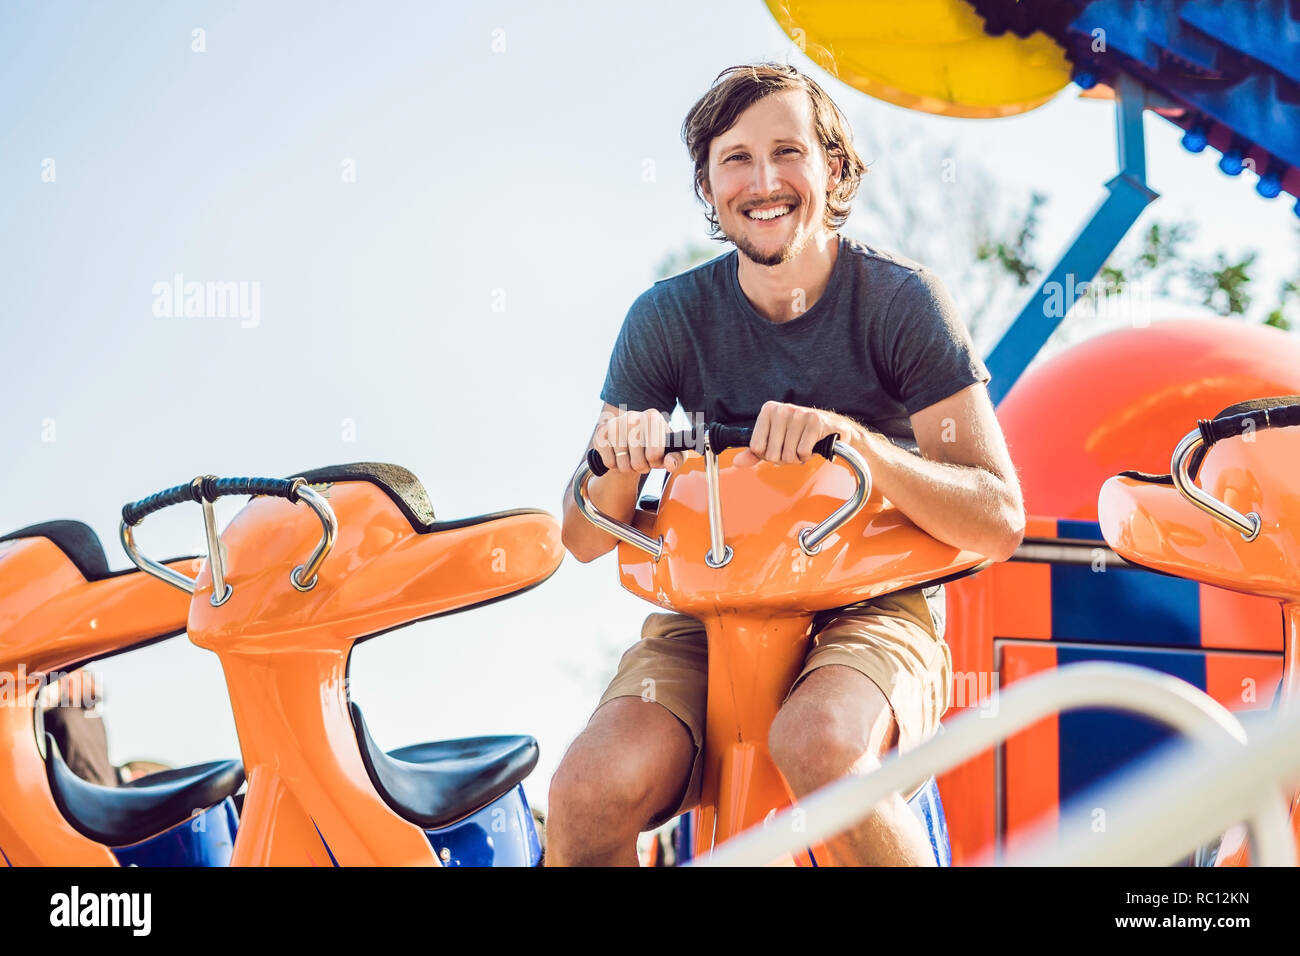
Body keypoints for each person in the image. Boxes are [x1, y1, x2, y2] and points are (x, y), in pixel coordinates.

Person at [547, 63, 1025, 866]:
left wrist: (857, 444)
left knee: (820, 745)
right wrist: (620, 461)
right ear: (708, 183)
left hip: (871, 610)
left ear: (831, 167)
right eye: (735, 158)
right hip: (709, 619)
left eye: (787, 152)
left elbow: (998, 516)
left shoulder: (902, 303)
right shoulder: (667, 318)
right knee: (586, 790)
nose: (763, 181)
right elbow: (585, 537)